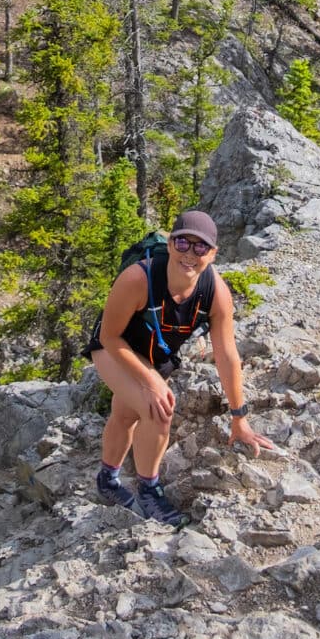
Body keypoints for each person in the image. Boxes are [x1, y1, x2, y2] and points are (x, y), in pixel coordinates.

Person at [88, 209, 276, 526]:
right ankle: (149, 491)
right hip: (114, 346)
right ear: (171, 244)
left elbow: (228, 355)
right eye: (183, 243)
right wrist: (149, 379)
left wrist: (239, 418)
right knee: (157, 406)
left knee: (125, 414)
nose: (190, 253)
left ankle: (107, 481)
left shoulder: (215, 293)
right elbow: (109, 335)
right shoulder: (138, 279)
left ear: (213, 254)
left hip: (156, 352)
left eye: (201, 247)